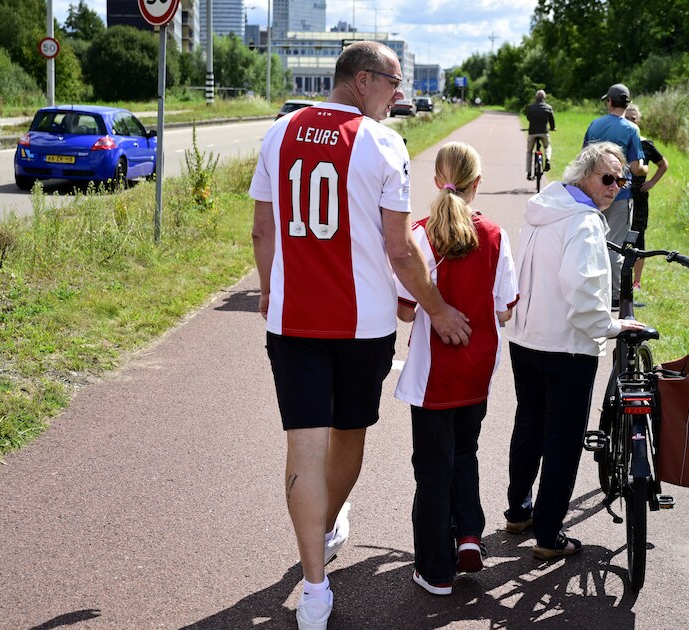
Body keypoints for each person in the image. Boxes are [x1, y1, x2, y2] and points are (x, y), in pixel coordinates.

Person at [249, 41, 472, 630]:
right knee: (349, 434)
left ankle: (315, 590)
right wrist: (439, 309)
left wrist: (273, 297)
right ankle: (323, 533)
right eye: (395, 82)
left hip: (292, 320)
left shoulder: (280, 131)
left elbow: (261, 232)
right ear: (365, 79)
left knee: (303, 446)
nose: (401, 94)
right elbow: (399, 250)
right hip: (362, 325)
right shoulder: (383, 144)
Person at [504, 142, 646, 559]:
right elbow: (582, 288)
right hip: (566, 345)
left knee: (528, 425)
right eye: (607, 178)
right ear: (583, 175)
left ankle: (518, 510)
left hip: (526, 338)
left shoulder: (541, 208)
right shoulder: (583, 223)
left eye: (620, 181)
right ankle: (549, 536)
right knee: (563, 441)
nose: (615, 187)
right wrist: (610, 326)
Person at [395, 141, 519, 596]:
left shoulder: (421, 236)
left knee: (432, 468)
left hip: (434, 377)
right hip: (478, 372)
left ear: (436, 179)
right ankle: (469, 533)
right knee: (465, 453)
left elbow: (407, 311)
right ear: (477, 184)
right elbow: (505, 309)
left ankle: (435, 570)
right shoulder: (496, 235)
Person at [582, 83, 647, 307]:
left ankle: (592, 291)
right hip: (619, 193)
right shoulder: (632, 129)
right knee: (616, 245)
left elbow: (584, 158)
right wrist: (646, 170)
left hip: (592, 192)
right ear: (626, 104)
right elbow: (637, 167)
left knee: (592, 241)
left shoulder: (595, 124)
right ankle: (616, 296)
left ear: (609, 101)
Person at [622, 104, 670, 290]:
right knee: (617, 236)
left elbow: (663, 164)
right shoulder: (619, 142)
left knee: (638, 239)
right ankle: (616, 279)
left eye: (633, 119)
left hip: (639, 198)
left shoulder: (646, 144)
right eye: (626, 118)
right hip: (619, 196)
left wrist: (651, 183)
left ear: (638, 121)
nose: (630, 121)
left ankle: (636, 282)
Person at [524, 89, 556, 181]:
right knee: (547, 146)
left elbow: (528, 118)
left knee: (529, 151)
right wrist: (552, 128)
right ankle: (548, 160)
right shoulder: (548, 107)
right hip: (544, 132)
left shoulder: (531, 107)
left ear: (536, 97)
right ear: (544, 98)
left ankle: (529, 172)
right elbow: (552, 120)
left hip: (532, 132)